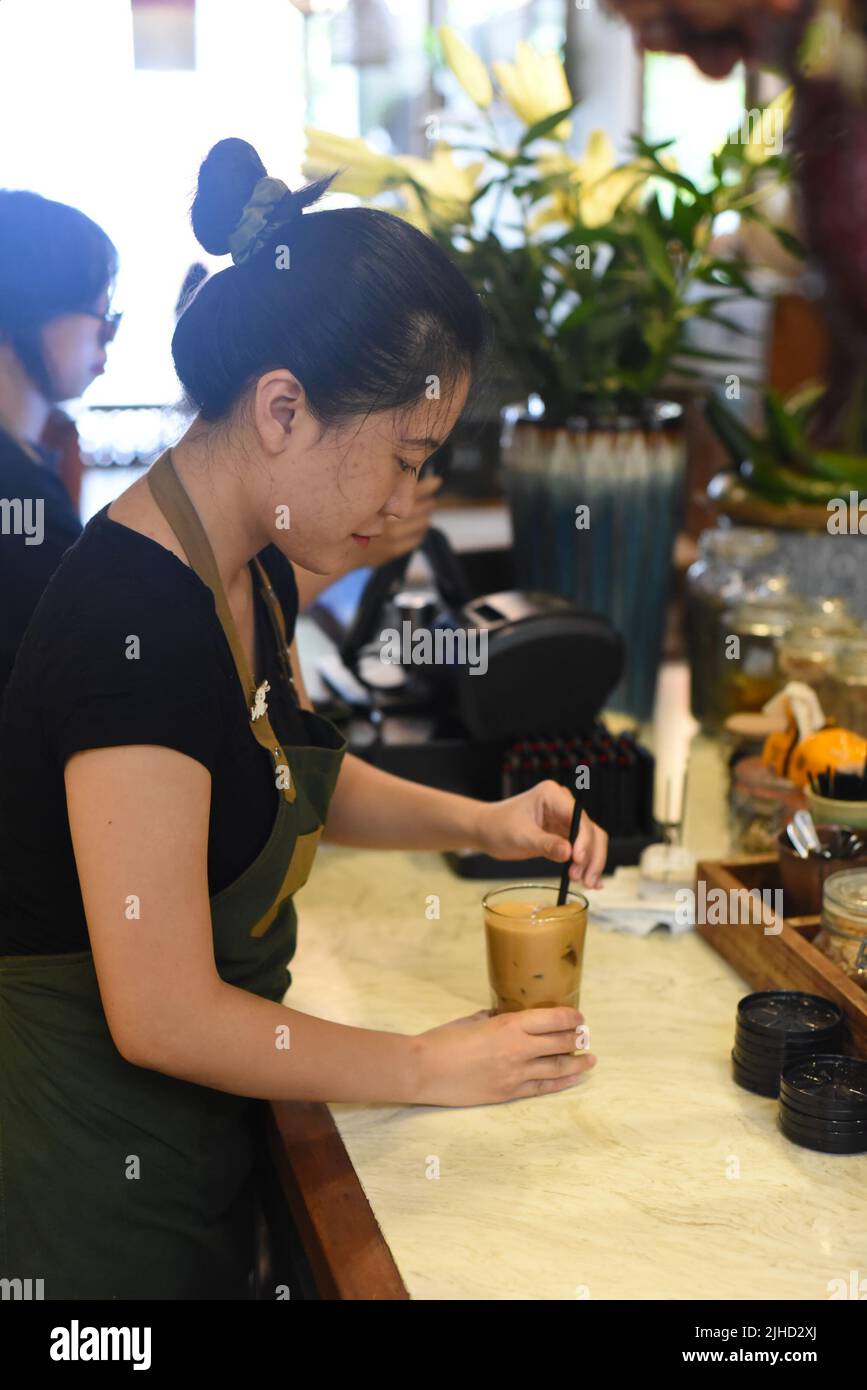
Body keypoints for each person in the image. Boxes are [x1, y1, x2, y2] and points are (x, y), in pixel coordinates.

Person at [0, 138, 608, 1300]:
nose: (403, 503)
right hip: (88, 1189)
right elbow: (162, 1008)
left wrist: (480, 820)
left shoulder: (251, 566)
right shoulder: (133, 626)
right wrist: (428, 1065)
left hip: (202, 1139)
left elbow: (284, 776)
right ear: (284, 407)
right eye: (403, 458)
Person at [0, 190, 120, 698]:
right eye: (102, 315)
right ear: (32, 307)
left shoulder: (27, 466)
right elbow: (101, 659)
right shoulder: (16, 485)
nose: (108, 338)